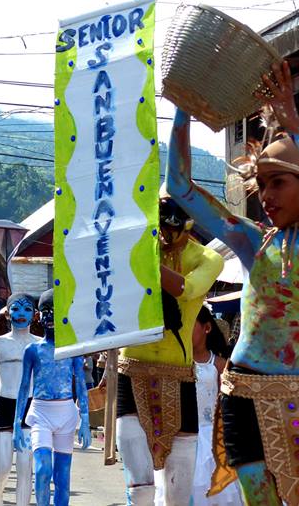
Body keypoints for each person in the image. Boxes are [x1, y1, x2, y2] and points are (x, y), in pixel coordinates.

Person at [167, 61, 299, 505]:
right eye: (261, 185)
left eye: (278, 184)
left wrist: (295, 129)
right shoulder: (254, 242)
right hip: (241, 393)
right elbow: (179, 185)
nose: (266, 197)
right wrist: (182, 110)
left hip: (298, 395)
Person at [114, 188, 223, 506]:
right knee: (141, 486)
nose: (165, 233)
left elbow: (188, 289)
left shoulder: (208, 258)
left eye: (173, 223)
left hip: (180, 373)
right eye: (160, 221)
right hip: (132, 365)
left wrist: (141, 259)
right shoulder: (137, 246)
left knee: (177, 488)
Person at [13, 289, 91, 506]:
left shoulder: (73, 348)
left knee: (63, 479)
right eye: (46, 312)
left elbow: (80, 384)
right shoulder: (32, 349)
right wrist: (17, 424)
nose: (50, 317)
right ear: (39, 315)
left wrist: (85, 419)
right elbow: (23, 388)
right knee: (42, 470)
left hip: (67, 413)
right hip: (40, 413)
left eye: (56, 312)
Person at [0, 293, 39, 506]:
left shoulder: (39, 345)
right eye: (16, 309)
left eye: (27, 310)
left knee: (24, 467)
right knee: (2, 468)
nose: (21, 314)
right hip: (4, 405)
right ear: (8, 314)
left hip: (30, 407)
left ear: (35, 315)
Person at [188, 306, 236, 506]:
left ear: (206, 328)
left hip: (211, 435)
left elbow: (227, 403)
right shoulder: (178, 363)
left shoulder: (218, 364)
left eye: (192, 325)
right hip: (184, 434)